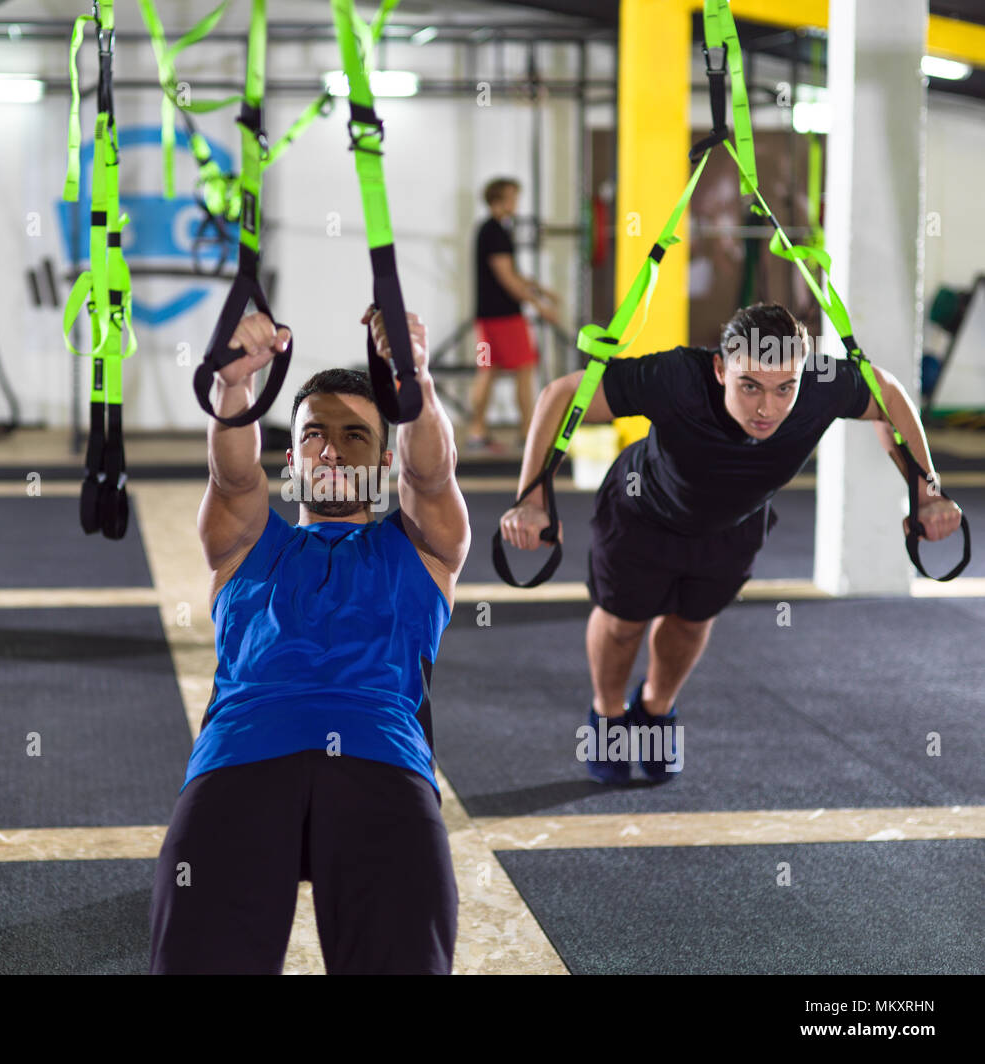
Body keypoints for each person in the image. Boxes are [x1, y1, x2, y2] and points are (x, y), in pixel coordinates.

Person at [499, 302, 963, 783]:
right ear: (720, 369)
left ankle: (655, 711)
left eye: (785, 388)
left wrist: (926, 493)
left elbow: (886, 395)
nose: (767, 408)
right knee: (623, 625)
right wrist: (532, 499)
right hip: (642, 515)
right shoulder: (675, 377)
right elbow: (561, 395)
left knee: (690, 624)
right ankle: (610, 715)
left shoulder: (823, 382)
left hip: (731, 527)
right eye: (750, 387)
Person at [149, 306, 471, 974]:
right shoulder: (245, 542)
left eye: (355, 436)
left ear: (385, 459)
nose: (331, 449)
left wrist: (417, 385)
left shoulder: (421, 548)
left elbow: (431, 475)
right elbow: (233, 476)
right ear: (290, 456)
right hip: (241, 759)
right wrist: (234, 391)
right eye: (316, 435)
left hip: (380, 759)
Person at [468, 176, 562, 453]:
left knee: (487, 370)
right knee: (524, 369)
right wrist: (540, 306)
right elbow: (507, 279)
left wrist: (540, 288)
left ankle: (476, 432)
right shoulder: (495, 232)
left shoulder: (490, 230)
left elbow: (512, 273)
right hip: (505, 318)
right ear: (498, 200)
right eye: (512, 197)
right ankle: (528, 432)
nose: (516, 202)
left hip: (488, 318)